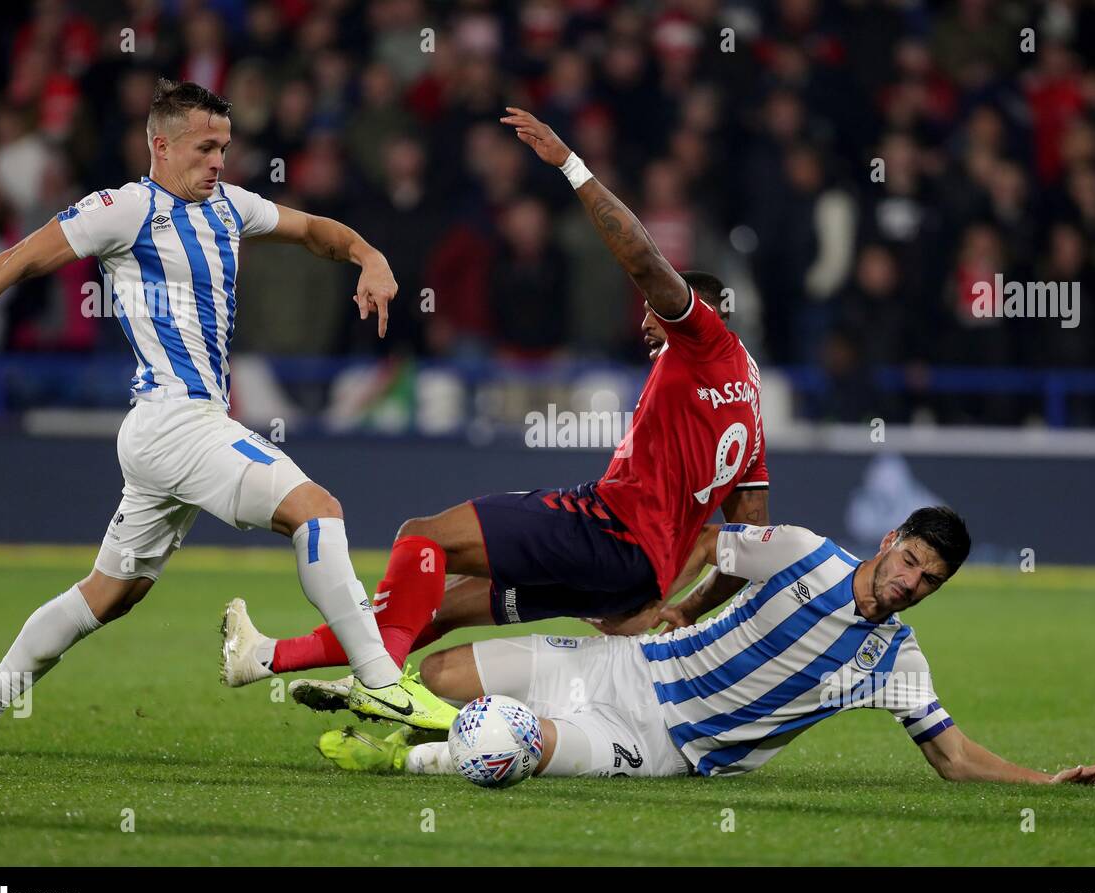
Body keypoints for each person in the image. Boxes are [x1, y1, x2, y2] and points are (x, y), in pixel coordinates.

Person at [0, 79, 454, 775]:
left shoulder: (230, 206)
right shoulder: (125, 208)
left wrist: (369, 256)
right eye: (205, 148)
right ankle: (383, 684)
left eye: (225, 149)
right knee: (317, 512)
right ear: (161, 144)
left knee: (108, 594)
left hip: (171, 430)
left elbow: (313, 232)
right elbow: (16, 261)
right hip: (176, 421)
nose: (218, 162)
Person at [218, 107, 770, 710]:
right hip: (635, 580)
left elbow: (642, 259)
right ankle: (265, 658)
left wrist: (570, 165)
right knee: (445, 601)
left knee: (421, 538)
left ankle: (381, 685)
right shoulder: (749, 404)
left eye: (654, 314)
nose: (645, 324)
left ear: (696, 315)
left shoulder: (699, 338)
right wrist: (679, 606)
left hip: (605, 530)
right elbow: (745, 546)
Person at [314, 507, 1095, 788]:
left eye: (929, 582)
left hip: (657, 742)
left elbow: (952, 758)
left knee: (512, 741)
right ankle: (419, 724)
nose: (911, 584)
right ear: (890, 543)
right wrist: (682, 606)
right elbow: (711, 543)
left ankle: (397, 758)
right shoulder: (803, 550)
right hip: (627, 665)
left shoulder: (895, 662)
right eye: (910, 562)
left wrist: (1045, 780)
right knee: (441, 672)